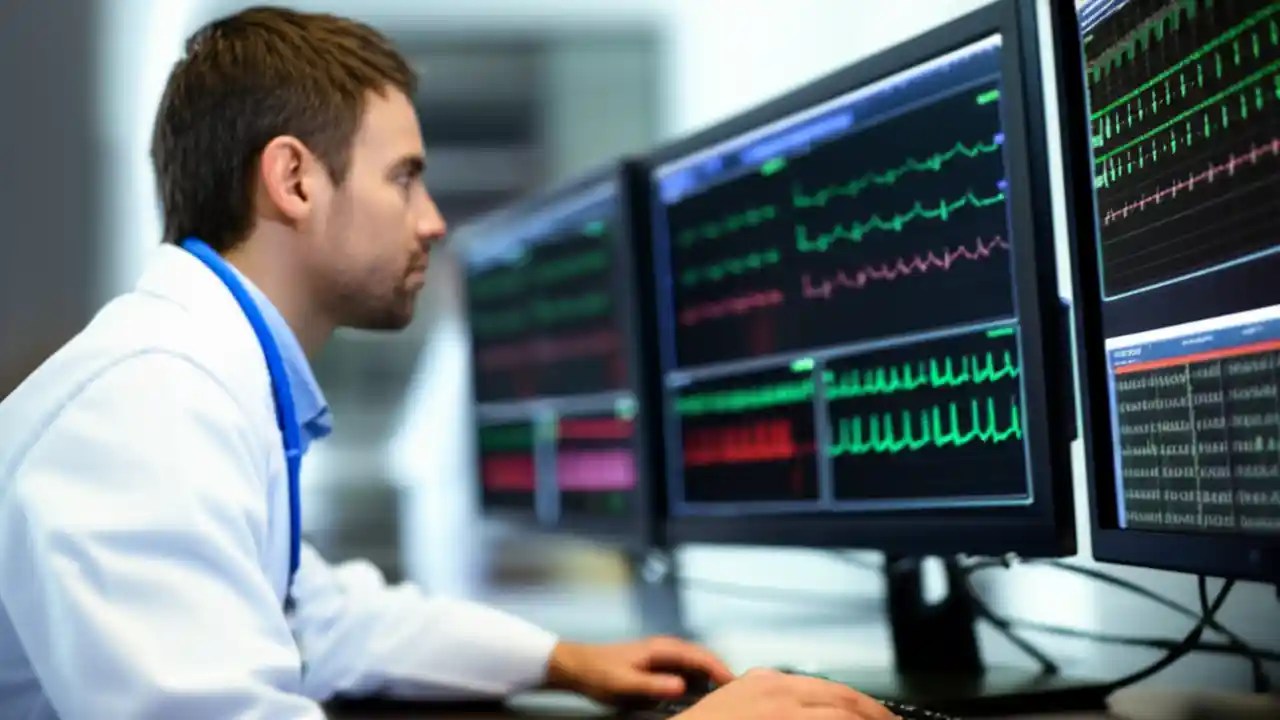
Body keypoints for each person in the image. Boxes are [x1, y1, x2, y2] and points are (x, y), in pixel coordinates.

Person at [0, 7, 896, 720]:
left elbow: (323, 615)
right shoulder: (149, 411)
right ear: (296, 181)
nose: (432, 221)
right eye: (404, 177)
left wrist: (565, 662)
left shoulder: (203, 386)